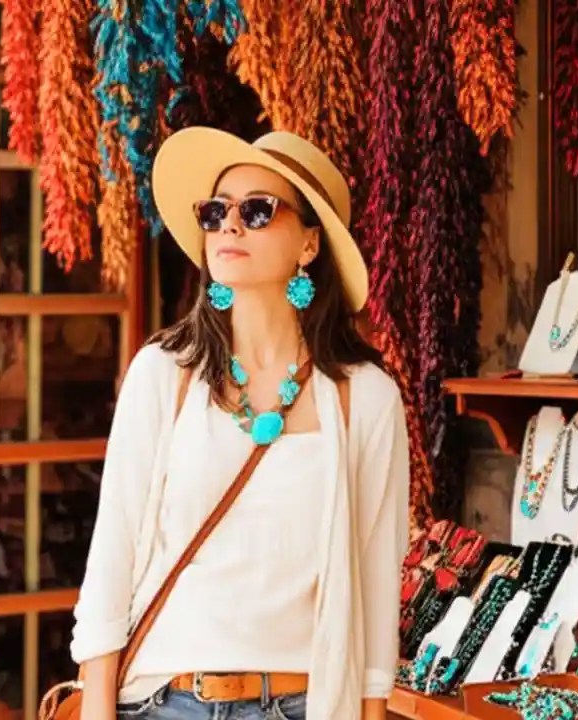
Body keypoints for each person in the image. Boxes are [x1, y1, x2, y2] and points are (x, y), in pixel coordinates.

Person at [67, 128, 410, 720]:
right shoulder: (161, 375)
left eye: (257, 210)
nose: (229, 226)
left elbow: (378, 589)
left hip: (305, 703)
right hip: (165, 702)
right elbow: (111, 558)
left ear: (309, 243)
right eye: (215, 210)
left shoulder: (367, 401)